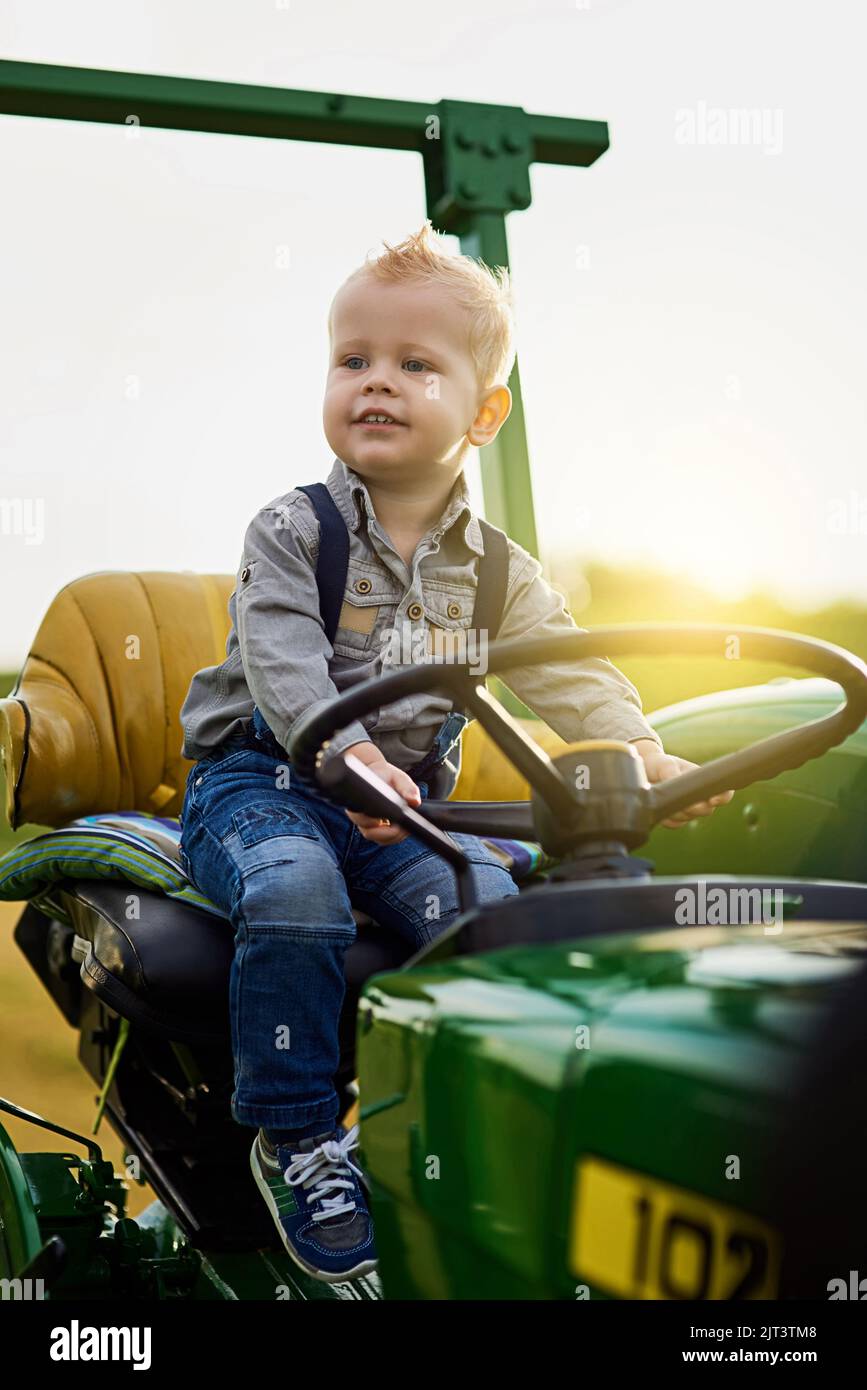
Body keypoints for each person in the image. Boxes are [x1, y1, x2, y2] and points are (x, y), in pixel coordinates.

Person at [177, 221, 733, 1283]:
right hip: (268, 784)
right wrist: (343, 753)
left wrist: (639, 748)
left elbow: (570, 670)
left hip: (401, 810)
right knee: (294, 889)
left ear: (484, 414)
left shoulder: (499, 575)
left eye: (413, 365)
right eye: (354, 360)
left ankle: (436, 1123)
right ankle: (294, 1134)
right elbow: (286, 664)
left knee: (487, 907)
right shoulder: (291, 531)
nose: (375, 384)